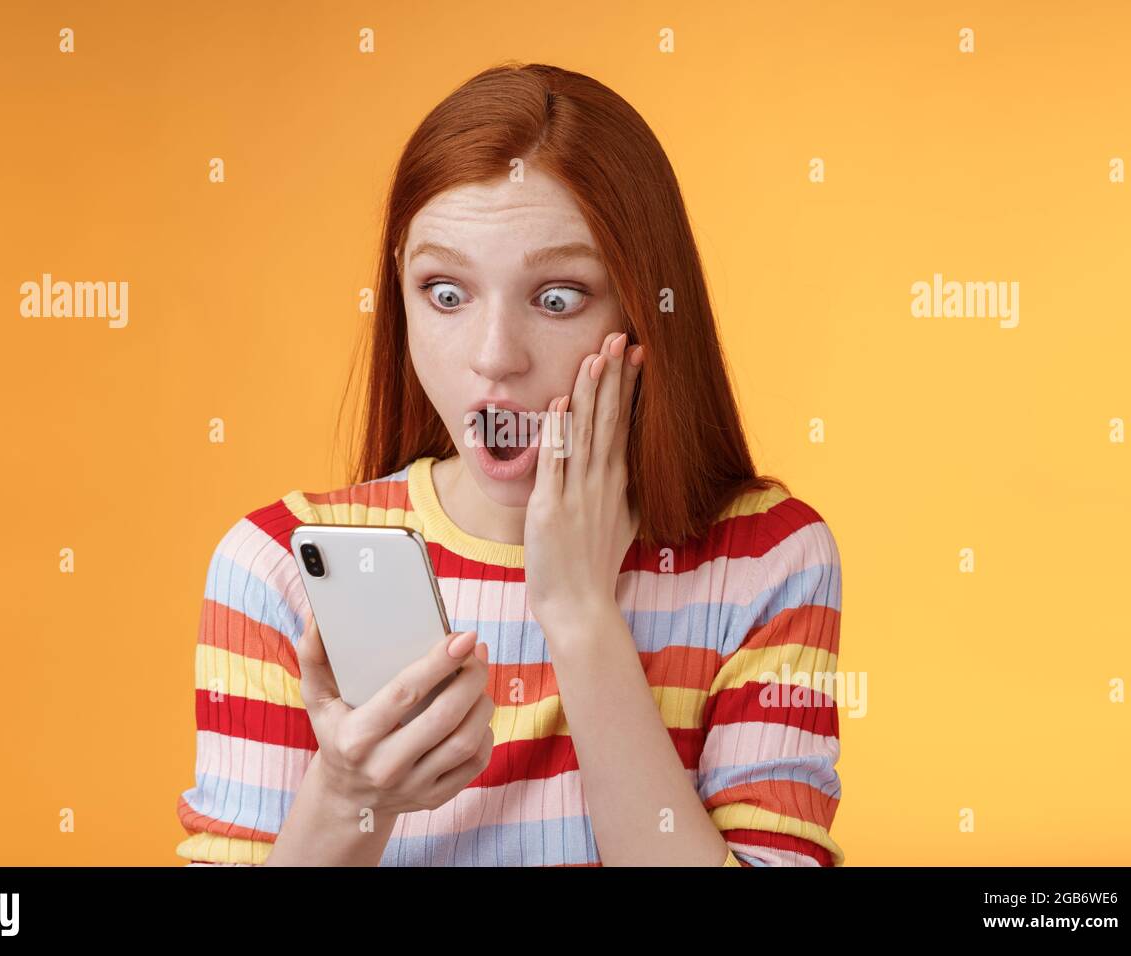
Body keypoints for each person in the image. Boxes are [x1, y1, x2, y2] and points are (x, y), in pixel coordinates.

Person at [176, 61, 844, 867]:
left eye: (557, 298)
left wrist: (580, 615)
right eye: (446, 293)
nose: (493, 360)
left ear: (643, 308)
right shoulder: (279, 568)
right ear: (401, 295)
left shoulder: (768, 561)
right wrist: (350, 794)